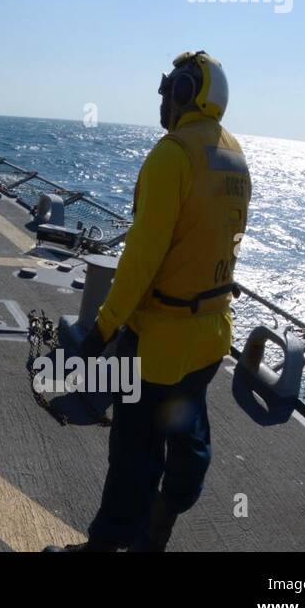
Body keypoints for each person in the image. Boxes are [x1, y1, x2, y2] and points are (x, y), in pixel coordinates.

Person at [48, 50, 251, 551]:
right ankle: (158, 529)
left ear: (188, 91)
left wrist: (101, 329)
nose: (163, 98)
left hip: (157, 347)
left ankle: (105, 547)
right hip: (209, 340)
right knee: (187, 435)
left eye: (170, 88)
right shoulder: (233, 153)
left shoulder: (172, 154)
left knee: (135, 455)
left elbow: (141, 257)